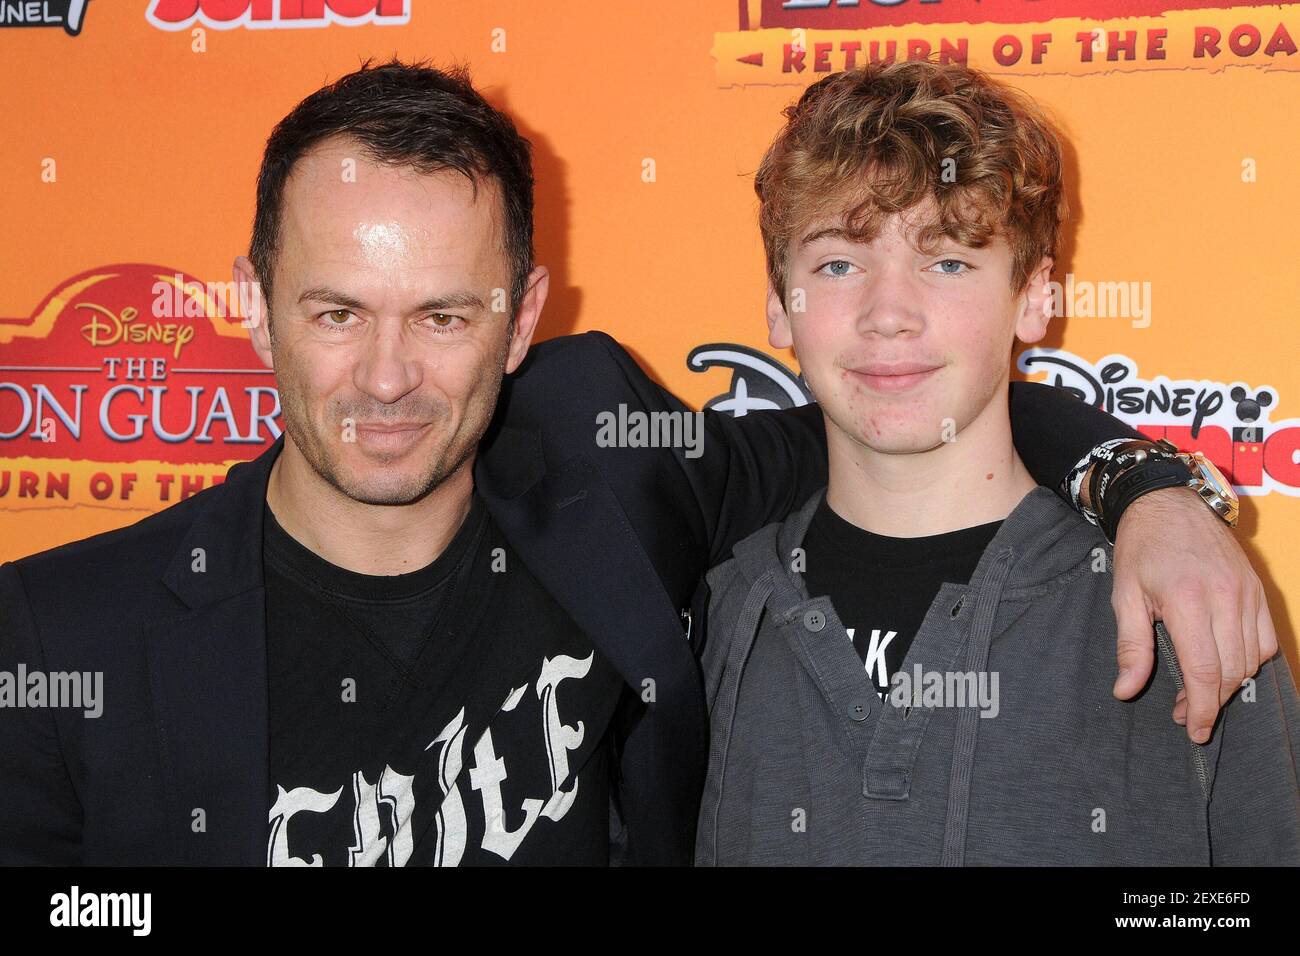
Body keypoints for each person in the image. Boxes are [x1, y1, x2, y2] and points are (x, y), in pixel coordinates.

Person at [0, 61, 1278, 866]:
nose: (386, 378)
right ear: (251, 299)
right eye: (336, 312)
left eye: (445, 315)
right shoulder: (63, 630)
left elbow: (920, 401)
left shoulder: (624, 499)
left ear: (526, 311)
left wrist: (1147, 489)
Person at [694, 59, 1300, 866]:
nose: (889, 315)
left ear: (1034, 298)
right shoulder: (722, 607)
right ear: (779, 303)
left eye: (947, 261)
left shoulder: (1177, 598)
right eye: (839, 262)